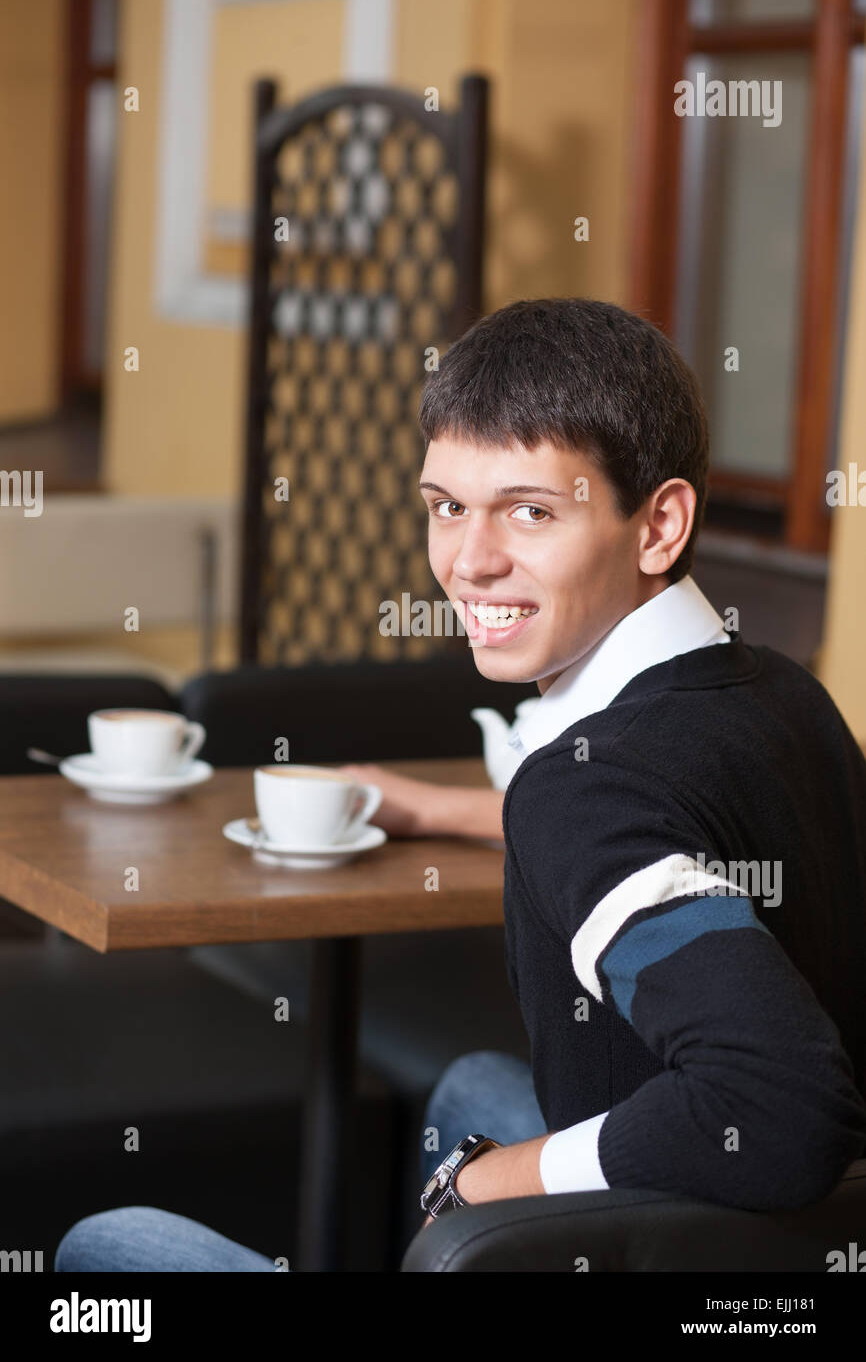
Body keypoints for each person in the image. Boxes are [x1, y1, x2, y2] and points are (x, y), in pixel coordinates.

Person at [55, 296, 866, 1269]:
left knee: (112, 1244)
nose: (468, 562)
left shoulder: (583, 790)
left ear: (657, 524)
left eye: (529, 510)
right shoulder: (785, 695)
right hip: (797, 1268)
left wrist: (488, 1180)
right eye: (446, 506)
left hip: (667, 1251)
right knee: (475, 1084)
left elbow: (779, 1106)